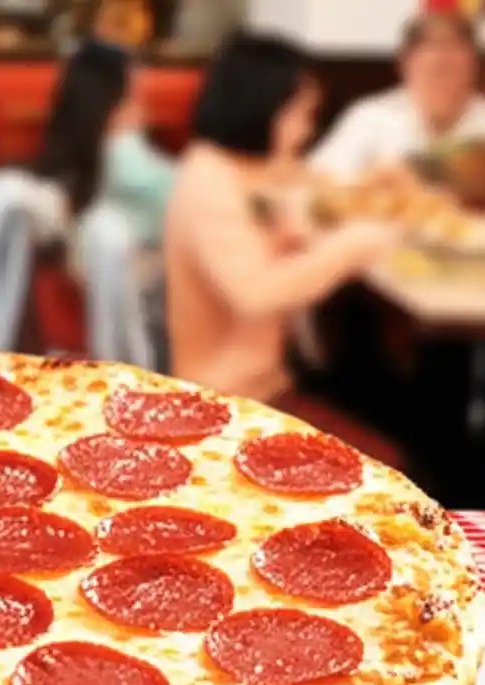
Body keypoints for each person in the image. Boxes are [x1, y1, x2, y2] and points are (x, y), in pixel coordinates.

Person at [164, 33, 401, 464]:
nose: (307, 128)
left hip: (264, 382)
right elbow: (255, 293)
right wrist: (348, 249)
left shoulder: (239, 164)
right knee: (389, 453)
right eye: (302, 113)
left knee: (385, 395)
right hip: (231, 401)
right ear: (263, 105)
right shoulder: (210, 180)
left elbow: (304, 186)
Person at [0, 39, 174, 365]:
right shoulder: (134, 171)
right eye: (136, 102)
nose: (145, 114)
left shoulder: (41, 186)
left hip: (54, 354)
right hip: (155, 352)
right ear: (109, 108)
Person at [312, 12, 485, 180]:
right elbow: (319, 182)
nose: (442, 83)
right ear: (404, 67)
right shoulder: (368, 118)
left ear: (474, 68)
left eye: (453, 69)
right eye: (432, 72)